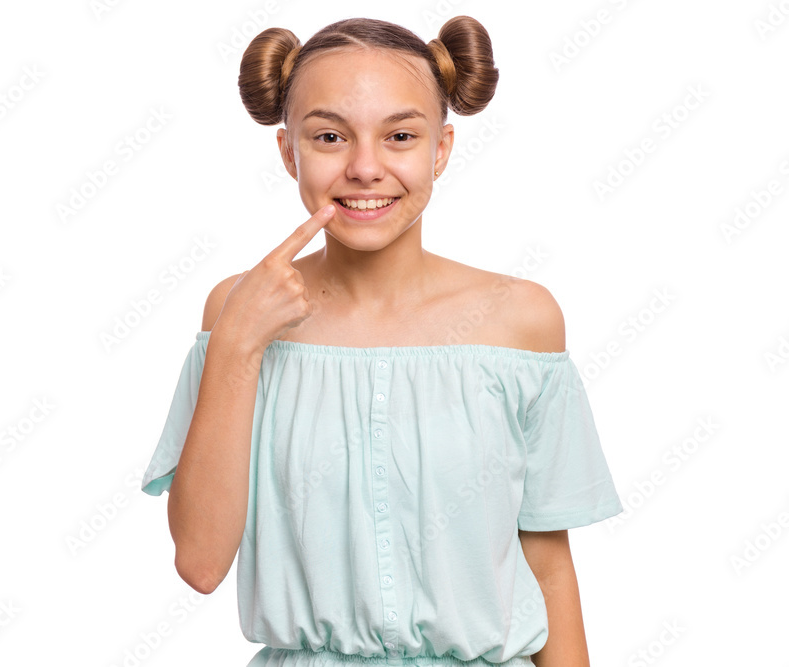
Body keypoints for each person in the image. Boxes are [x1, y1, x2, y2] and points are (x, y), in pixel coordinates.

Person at [140, 15, 623, 667]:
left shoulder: (521, 319)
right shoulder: (236, 311)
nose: (365, 168)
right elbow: (199, 560)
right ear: (289, 152)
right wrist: (238, 344)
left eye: (399, 135)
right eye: (331, 135)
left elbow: (547, 561)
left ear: (441, 149)